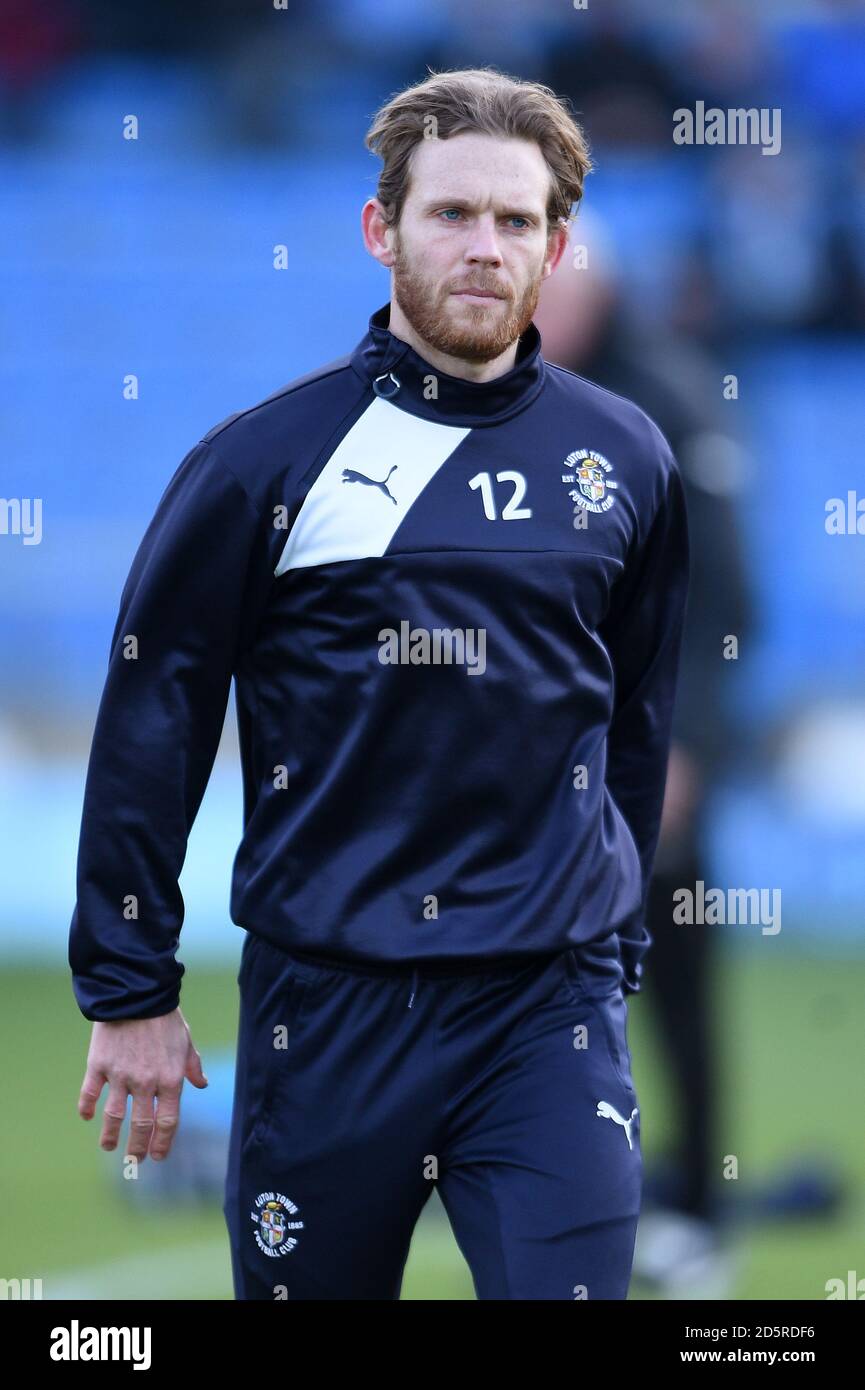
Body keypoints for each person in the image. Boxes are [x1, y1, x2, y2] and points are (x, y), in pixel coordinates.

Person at [69, 67, 689, 1301]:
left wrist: (610, 948)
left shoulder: (625, 458)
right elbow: (155, 715)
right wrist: (129, 986)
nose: (483, 247)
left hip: (545, 1008)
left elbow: (635, 719)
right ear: (380, 230)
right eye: (450, 214)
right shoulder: (263, 465)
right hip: (329, 1012)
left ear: (556, 246)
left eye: (516, 222)